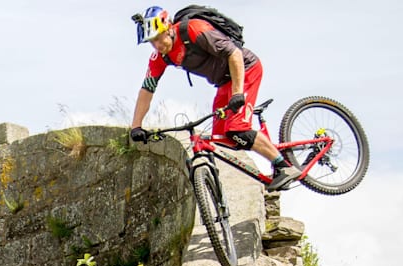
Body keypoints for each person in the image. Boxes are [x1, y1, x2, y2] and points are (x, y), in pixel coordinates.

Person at [128, 6, 302, 191]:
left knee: (237, 129)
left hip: (245, 69)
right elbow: (147, 90)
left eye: (158, 38)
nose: (157, 45)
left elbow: (234, 53)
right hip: (222, 83)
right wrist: (136, 126)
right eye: (151, 42)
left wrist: (237, 93)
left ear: (169, 28)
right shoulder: (160, 57)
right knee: (219, 140)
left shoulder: (194, 29)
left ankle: (283, 166)